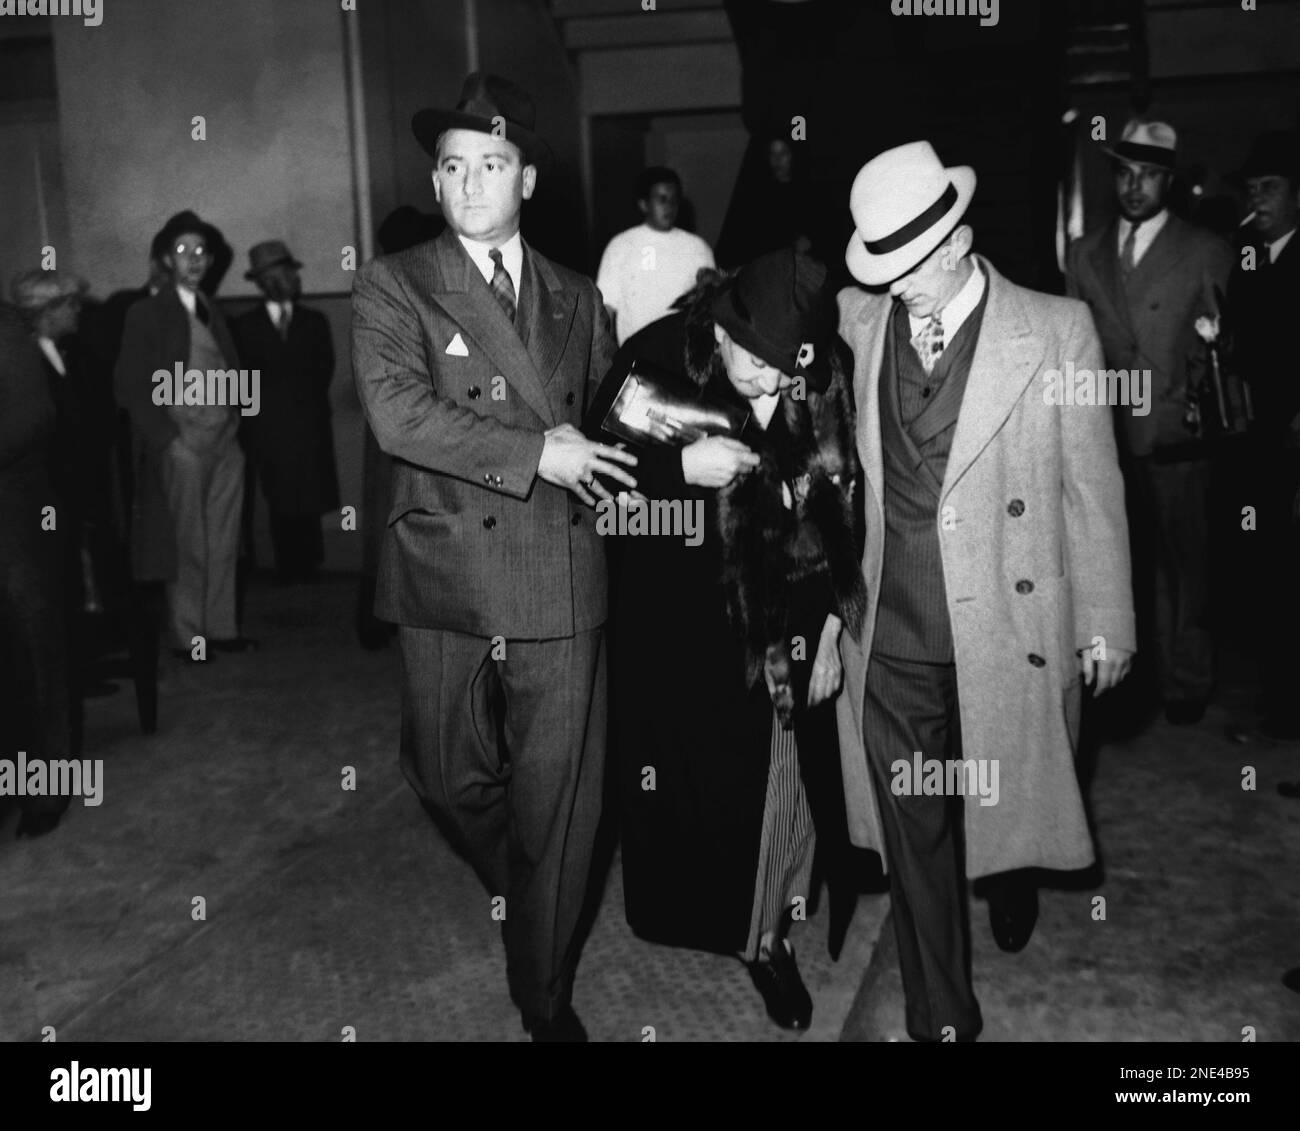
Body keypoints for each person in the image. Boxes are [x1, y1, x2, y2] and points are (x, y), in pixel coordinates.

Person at [351, 72, 636, 1042]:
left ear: (528, 179)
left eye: (492, 164)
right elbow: (397, 417)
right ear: (434, 185)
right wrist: (533, 450)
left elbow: (609, 423)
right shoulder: (395, 284)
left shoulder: (578, 295)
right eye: (452, 167)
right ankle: (528, 876)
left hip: (560, 574)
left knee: (563, 802)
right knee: (443, 777)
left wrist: (694, 435)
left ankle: (544, 994)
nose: (470, 183)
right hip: (443, 574)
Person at [835, 141, 1135, 1042]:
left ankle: (1008, 874)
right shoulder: (860, 320)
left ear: (961, 240)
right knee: (914, 835)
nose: (899, 287)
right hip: (890, 623)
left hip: (1009, 618)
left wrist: (1109, 618)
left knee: (1002, 789)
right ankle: (944, 1019)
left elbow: (1093, 483)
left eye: (913, 264)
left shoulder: (1056, 329)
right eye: (882, 266)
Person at [589, 250, 865, 1031]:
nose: (772, 385)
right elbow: (598, 499)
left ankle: (773, 929)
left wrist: (837, 621)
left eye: (789, 372)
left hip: (792, 611)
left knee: (789, 774)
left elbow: (845, 492)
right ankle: (751, 934)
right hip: (680, 619)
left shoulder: (818, 363)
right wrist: (680, 469)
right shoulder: (653, 354)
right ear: (724, 326)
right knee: (705, 788)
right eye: (757, 365)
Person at [1066, 119, 1233, 726]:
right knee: (1120, 564)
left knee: (1189, 567)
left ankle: (1188, 680)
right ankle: (1134, 682)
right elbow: (1073, 348)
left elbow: (1227, 351)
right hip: (1106, 436)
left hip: (1177, 436)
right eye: (1125, 173)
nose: (1135, 186)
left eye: (1150, 175)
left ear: (1170, 182)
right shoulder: (1084, 253)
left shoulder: (1207, 250)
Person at [114, 211, 256, 661]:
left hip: (225, 443)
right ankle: (189, 637)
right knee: (188, 543)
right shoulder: (146, 312)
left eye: (201, 252)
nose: (193, 259)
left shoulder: (215, 312)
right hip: (183, 443)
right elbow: (129, 386)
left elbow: (234, 374)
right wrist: (167, 439)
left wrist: (237, 422)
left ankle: (222, 629)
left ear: (211, 261)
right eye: (182, 251)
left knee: (224, 538)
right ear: (164, 260)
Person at [1228, 130, 1300, 741]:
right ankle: (1281, 706)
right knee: (1273, 577)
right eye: (1253, 189)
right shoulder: (1249, 255)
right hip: (1262, 445)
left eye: (1271, 187)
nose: (1260, 198)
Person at [0, 303, 72, 837]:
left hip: (14, 517)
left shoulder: (5, 327)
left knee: (32, 647)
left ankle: (45, 789)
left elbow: (32, 415)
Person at [233, 241, 340, 584]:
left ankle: (308, 563)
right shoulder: (244, 327)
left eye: (290, 272)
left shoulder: (314, 322)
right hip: (267, 429)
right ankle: (287, 566)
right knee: (279, 496)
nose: (291, 279)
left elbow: (323, 371)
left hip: (308, 425)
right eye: (281, 274)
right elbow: (241, 381)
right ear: (263, 282)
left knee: (309, 493)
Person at [595, 166, 715, 345]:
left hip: (680, 353)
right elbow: (607, 310)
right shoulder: (621, 245)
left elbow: (709, 306)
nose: (669, 206)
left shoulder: (697, 247)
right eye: (662, 199)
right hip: (634, 354)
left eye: (674, 200)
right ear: (644, 204)